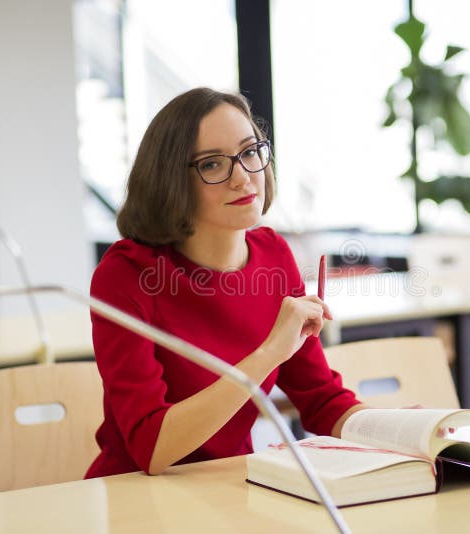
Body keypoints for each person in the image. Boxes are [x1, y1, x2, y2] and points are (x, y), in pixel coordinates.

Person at [85, 87, 365, 478]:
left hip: (230, 487)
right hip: (136, 494)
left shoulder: (274, 255)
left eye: (250, 152)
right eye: (213, 164)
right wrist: (269, 353)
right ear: (170, 179)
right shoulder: (126, 275)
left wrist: (402, 433)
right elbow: (152, 448)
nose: (242, 178)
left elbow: (322, 401)